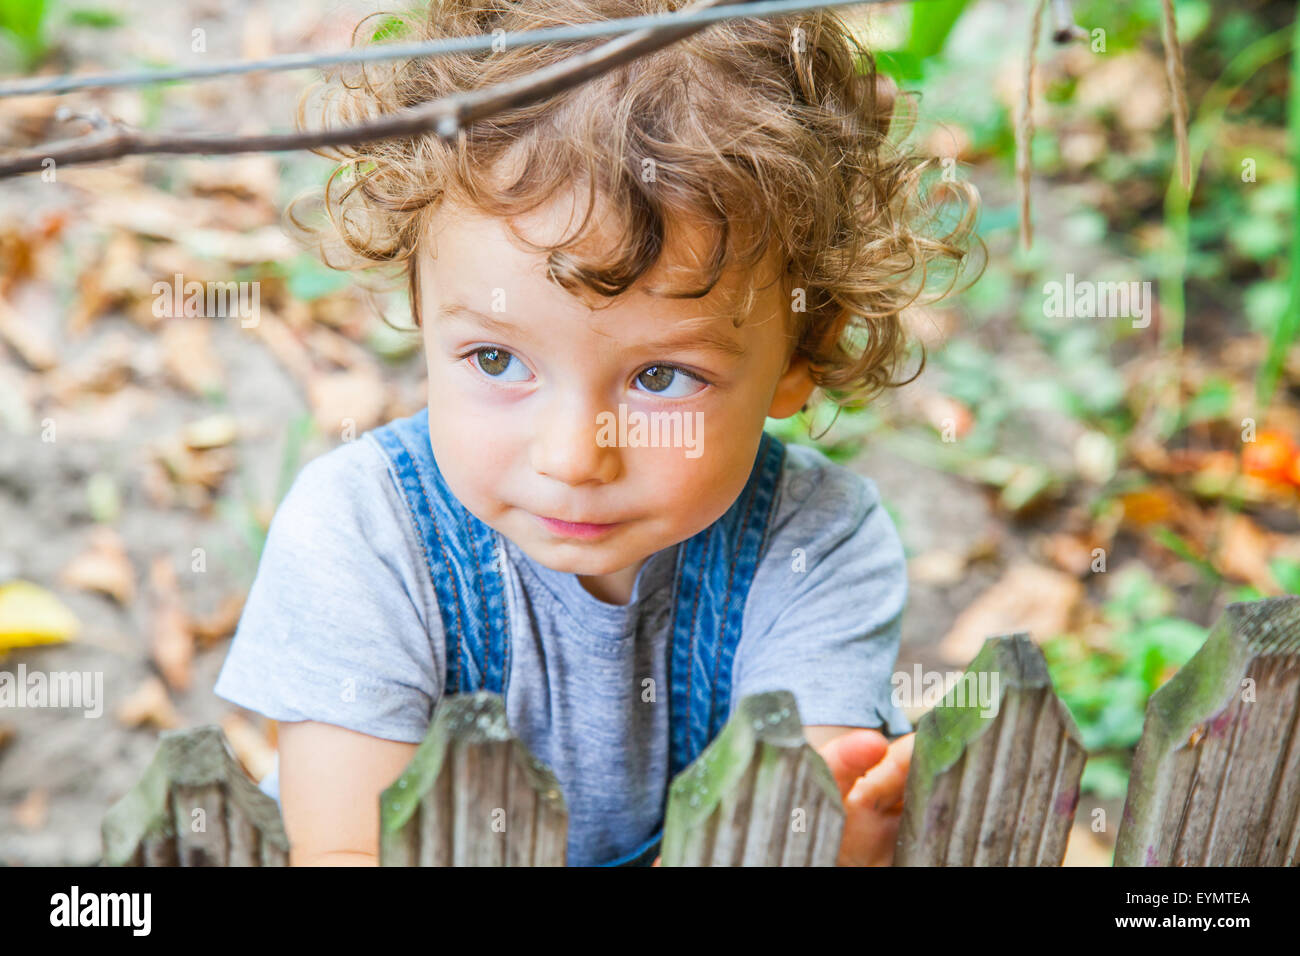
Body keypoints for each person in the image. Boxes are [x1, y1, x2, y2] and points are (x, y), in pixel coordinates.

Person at [214, 0, 976, 866]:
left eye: (661, 377)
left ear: (803, 350)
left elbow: (785, 828)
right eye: (498, 360)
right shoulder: (360, 538)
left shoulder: (817, 546)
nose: (574, 457)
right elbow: (348, 851)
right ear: (423, 315)